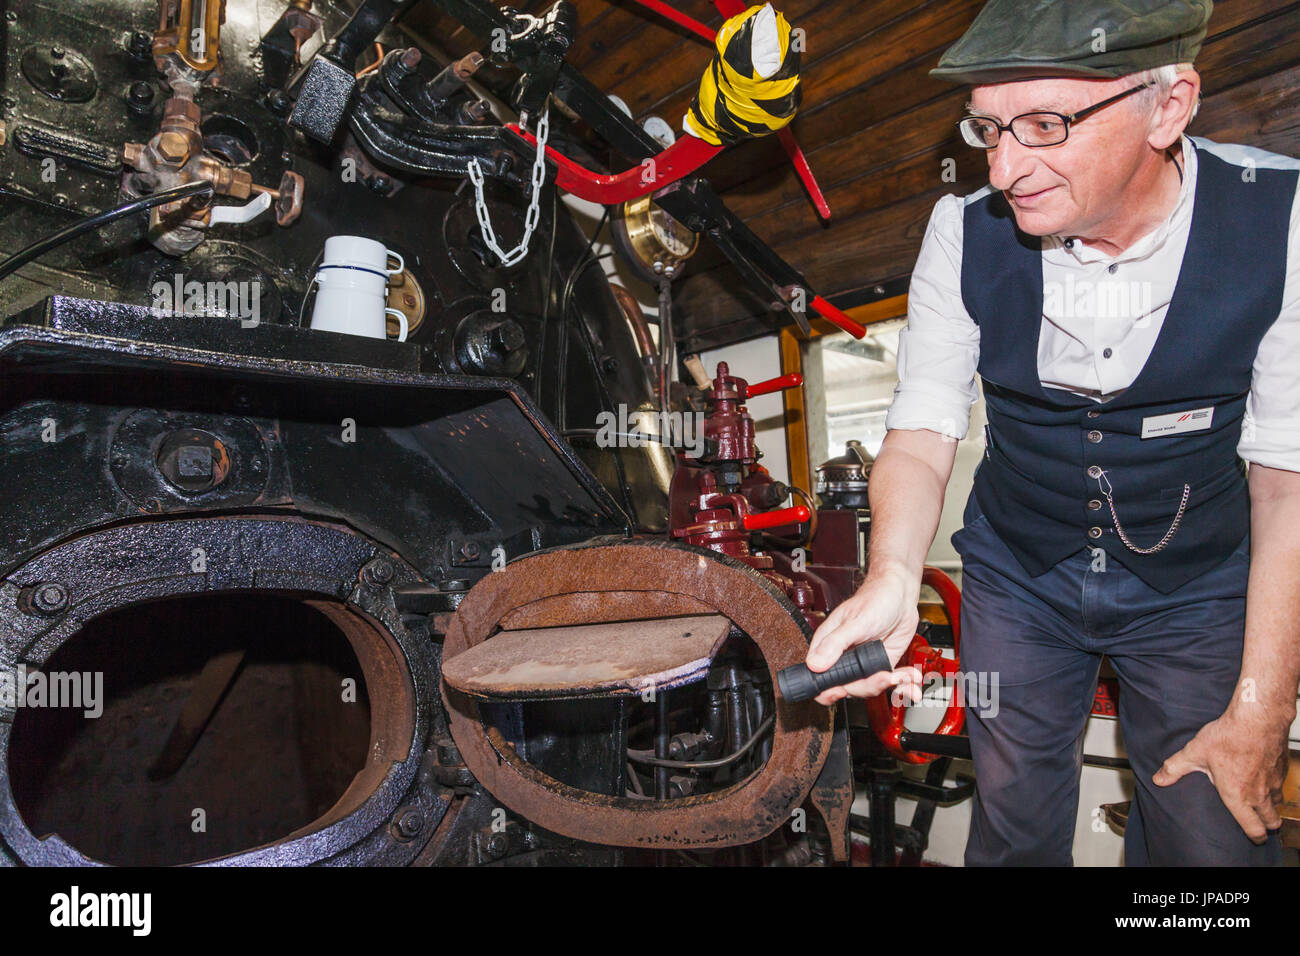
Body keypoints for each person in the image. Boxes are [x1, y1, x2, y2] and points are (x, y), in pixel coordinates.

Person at [803, 0, 1299, 865]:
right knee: (1013, 824)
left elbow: (1285, 479)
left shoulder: (1279, 218)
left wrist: (1264, 704)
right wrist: (893, 575)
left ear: (1169, 106)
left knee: (1209, 840)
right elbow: (923, 427)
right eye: (988, 130)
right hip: (1019, 572)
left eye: (1044, 124)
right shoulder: (962, 232)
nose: (1003, 169)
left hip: (1198, 584)